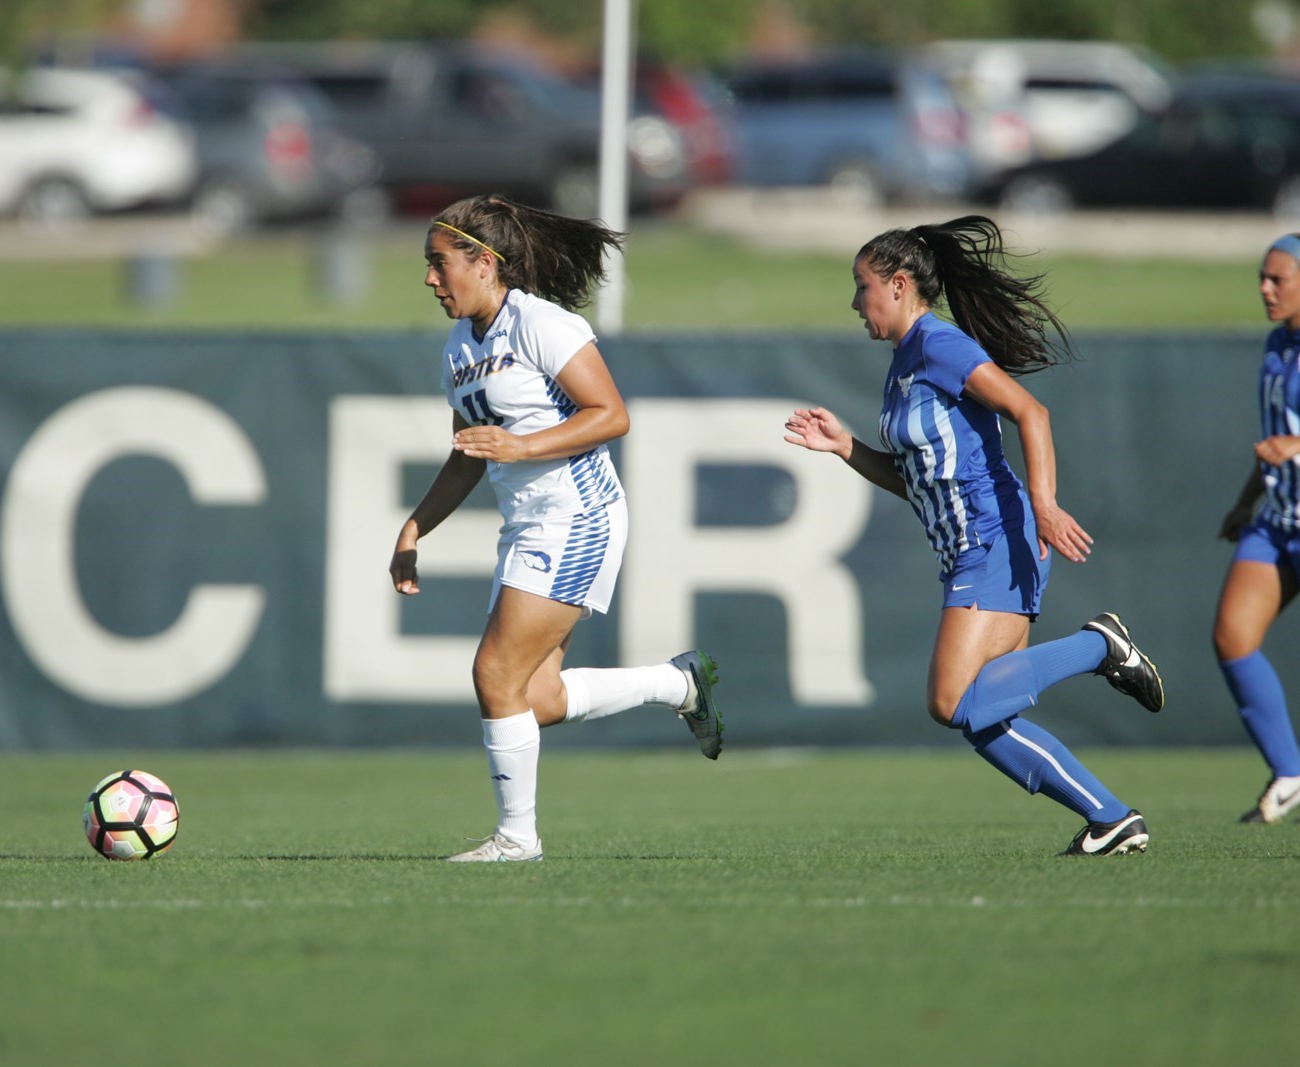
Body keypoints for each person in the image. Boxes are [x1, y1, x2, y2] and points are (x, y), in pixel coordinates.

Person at [782, 215, 1164, 856]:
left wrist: (1044, 504)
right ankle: (1110, 818)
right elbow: (917, 481)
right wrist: (847, 447)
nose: (855, 301)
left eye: (861, 285)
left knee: (949, 699)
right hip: (971, 550)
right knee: (984, 718)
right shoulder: (903, 363)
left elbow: (1029, 411)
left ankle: (1098, 646)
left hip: (995, 541)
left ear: (899, 284)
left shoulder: (939, 344)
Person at [390, 194, 724, 863]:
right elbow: (469, 455)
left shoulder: (541, 323)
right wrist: (414, 528)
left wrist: (521, 447)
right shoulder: (459, 348)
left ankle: (517, 839)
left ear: (484, 263)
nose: (429, 278)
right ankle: (678, 683)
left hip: (578, 517)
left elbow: (611, 414)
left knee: (494, 675)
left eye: (439, 262)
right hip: (528, 527)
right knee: (534, 697)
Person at [1214, 234, 1300, 823]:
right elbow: (1275, 439)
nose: (1266, 290)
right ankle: (1289, 773)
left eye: (1278, 279)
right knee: (1232, 637)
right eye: (1262, 279)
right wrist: (1246, 502)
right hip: (1279, 521)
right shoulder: (1277, 344)